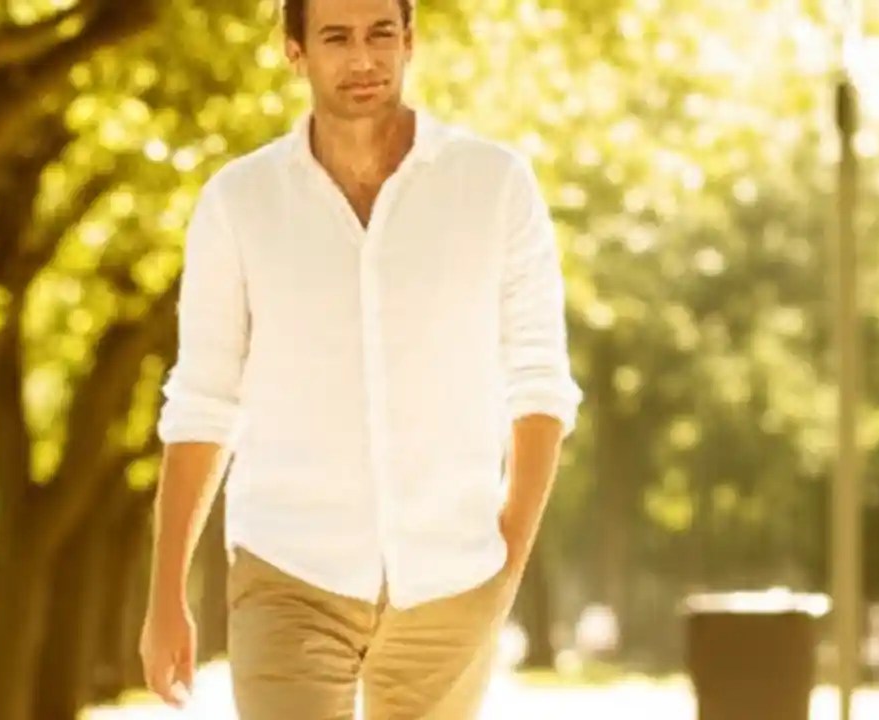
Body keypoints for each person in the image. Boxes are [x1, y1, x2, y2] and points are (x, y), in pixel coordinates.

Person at [139, 0, 582, 716]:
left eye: (381, 33)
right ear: (295, 53)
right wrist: (166, 596)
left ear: (409, 40)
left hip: (452, 574)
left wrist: (506, 559)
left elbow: (540, 383)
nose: (364, 59)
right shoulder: (238, 203)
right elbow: (202, 401)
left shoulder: (494, 185)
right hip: (288, 570)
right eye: (336, 38)